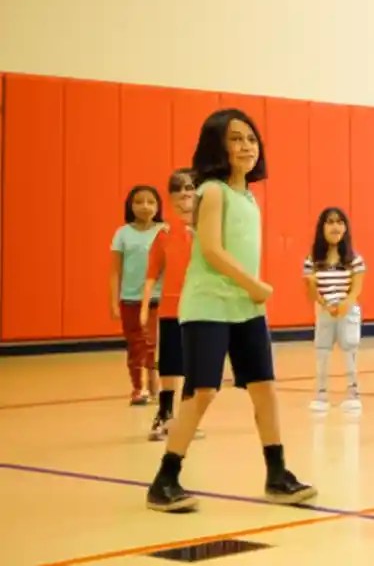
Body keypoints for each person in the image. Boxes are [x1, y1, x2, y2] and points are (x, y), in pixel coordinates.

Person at [146, 108, 315, 512]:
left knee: (264, 389)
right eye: (236, 138)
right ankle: (165, 479)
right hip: (208, 305)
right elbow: (211, 249)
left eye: (252, 139)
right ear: (217, 146)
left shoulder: (247, 196)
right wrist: (254, 284)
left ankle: (277, 474)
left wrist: (250, 292)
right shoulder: (214, 191)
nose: (246, 146)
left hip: (245, 308)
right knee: (201, 390)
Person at [141, 170, 197, 440]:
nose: (185, 192)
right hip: (172, 307)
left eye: (190, 187)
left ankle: (186, 419)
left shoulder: (208, 229)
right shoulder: (163, 233)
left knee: (196, 365)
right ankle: (164, 413)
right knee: (171, 363)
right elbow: (152, 271)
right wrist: (143, 306)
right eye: (178, 188)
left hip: (201, 306)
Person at [303, 207, 366, 413]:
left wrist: (345, 304)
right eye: (330, 222)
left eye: (339, 222)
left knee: (349, 349)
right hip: (324, 311)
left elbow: (356, 288)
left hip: (347, 311)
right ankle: (321, 394)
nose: (335, 227)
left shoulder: (354, 259)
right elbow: (310, 290)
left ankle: (353, 393)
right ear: (322, 228)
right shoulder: (312, 259)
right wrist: (323, 303)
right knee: (322, 350)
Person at [111, 184, 165, 405]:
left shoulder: (164, 231)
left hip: (156, 299)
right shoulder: (122, 233)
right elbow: (115, 270)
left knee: (152, 344)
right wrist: (114, 301)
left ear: (158, 206)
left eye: (151, 202)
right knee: (135, 345)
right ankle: (137, 388)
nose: (145, 206)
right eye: (139, 202)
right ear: (130, 206)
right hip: (130, 300)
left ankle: (155, 388)